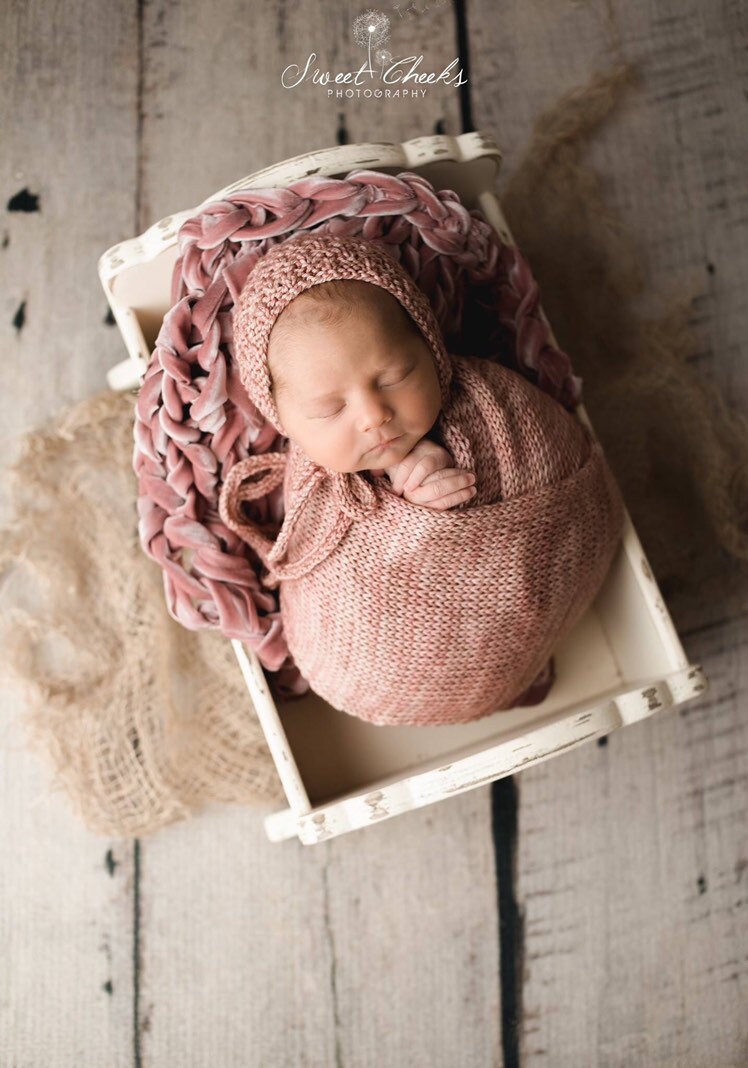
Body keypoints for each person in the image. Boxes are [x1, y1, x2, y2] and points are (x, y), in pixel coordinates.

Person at [218, 231, 624, 726]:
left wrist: (448, 490)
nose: (373, 415)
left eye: (393, 377)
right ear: (284, 422)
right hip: (386, 657)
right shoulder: (314, 486)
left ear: (430, 345)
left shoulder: (492, 401)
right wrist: (399, 512)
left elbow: (550, 459)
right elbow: (332, 567)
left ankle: (515, 669)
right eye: (330, 409)